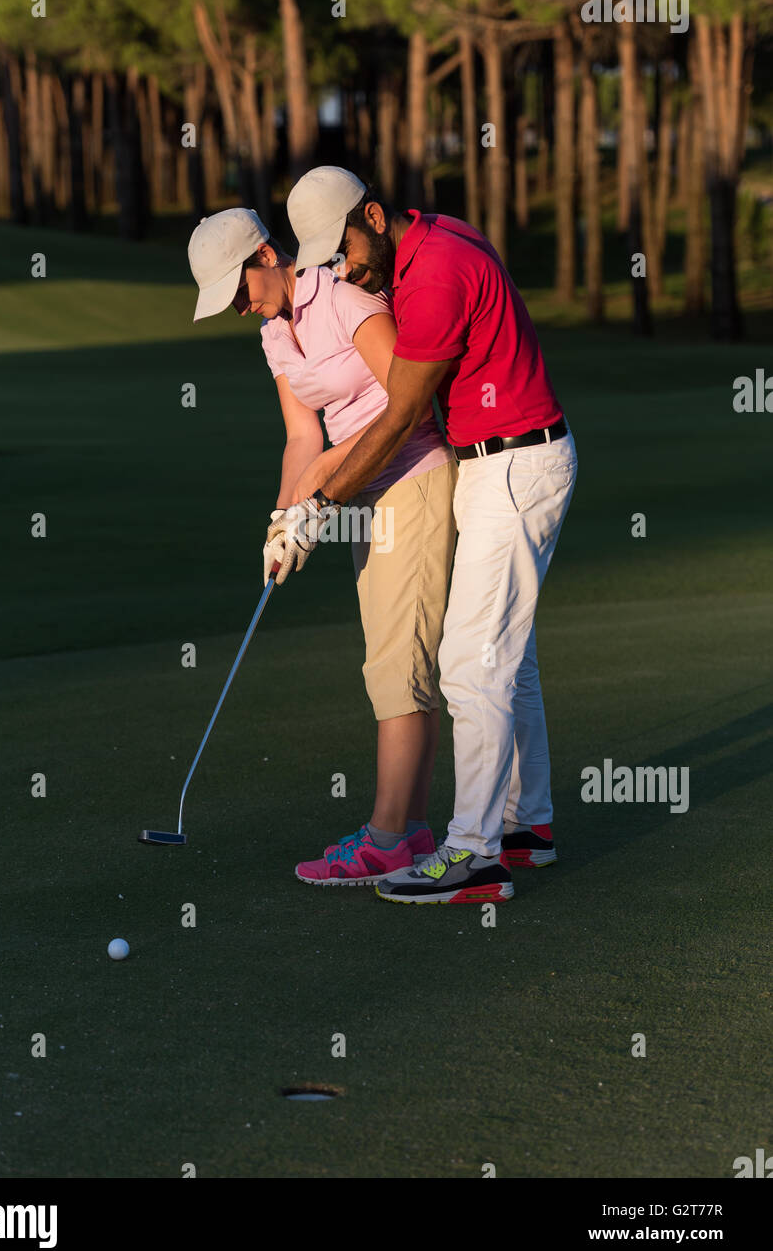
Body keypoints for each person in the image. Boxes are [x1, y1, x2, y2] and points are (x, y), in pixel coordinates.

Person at [269, 167, 578, 906]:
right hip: (496, 460)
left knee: (470, 664)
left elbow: (402, 413)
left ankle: (471, 856)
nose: (341, 268)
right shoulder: (435, 237)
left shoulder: (434, 274)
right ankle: (523, 828)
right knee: (511, 657)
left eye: (342, 248)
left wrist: (321, 500)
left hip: (512, 466)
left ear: (373, 215)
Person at [187, 207, 457, 885]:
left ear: (267, 255)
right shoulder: (276, 333)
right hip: (357, 496)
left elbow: (409, 401)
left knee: (399, 661)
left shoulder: (342, 297)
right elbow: (303, 437)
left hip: (414, 481)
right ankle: (410, 828)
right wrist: (284, 519)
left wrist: (317, 500)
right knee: (391, 657)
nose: (241, 308)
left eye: (239, 289)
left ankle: (390, 838)